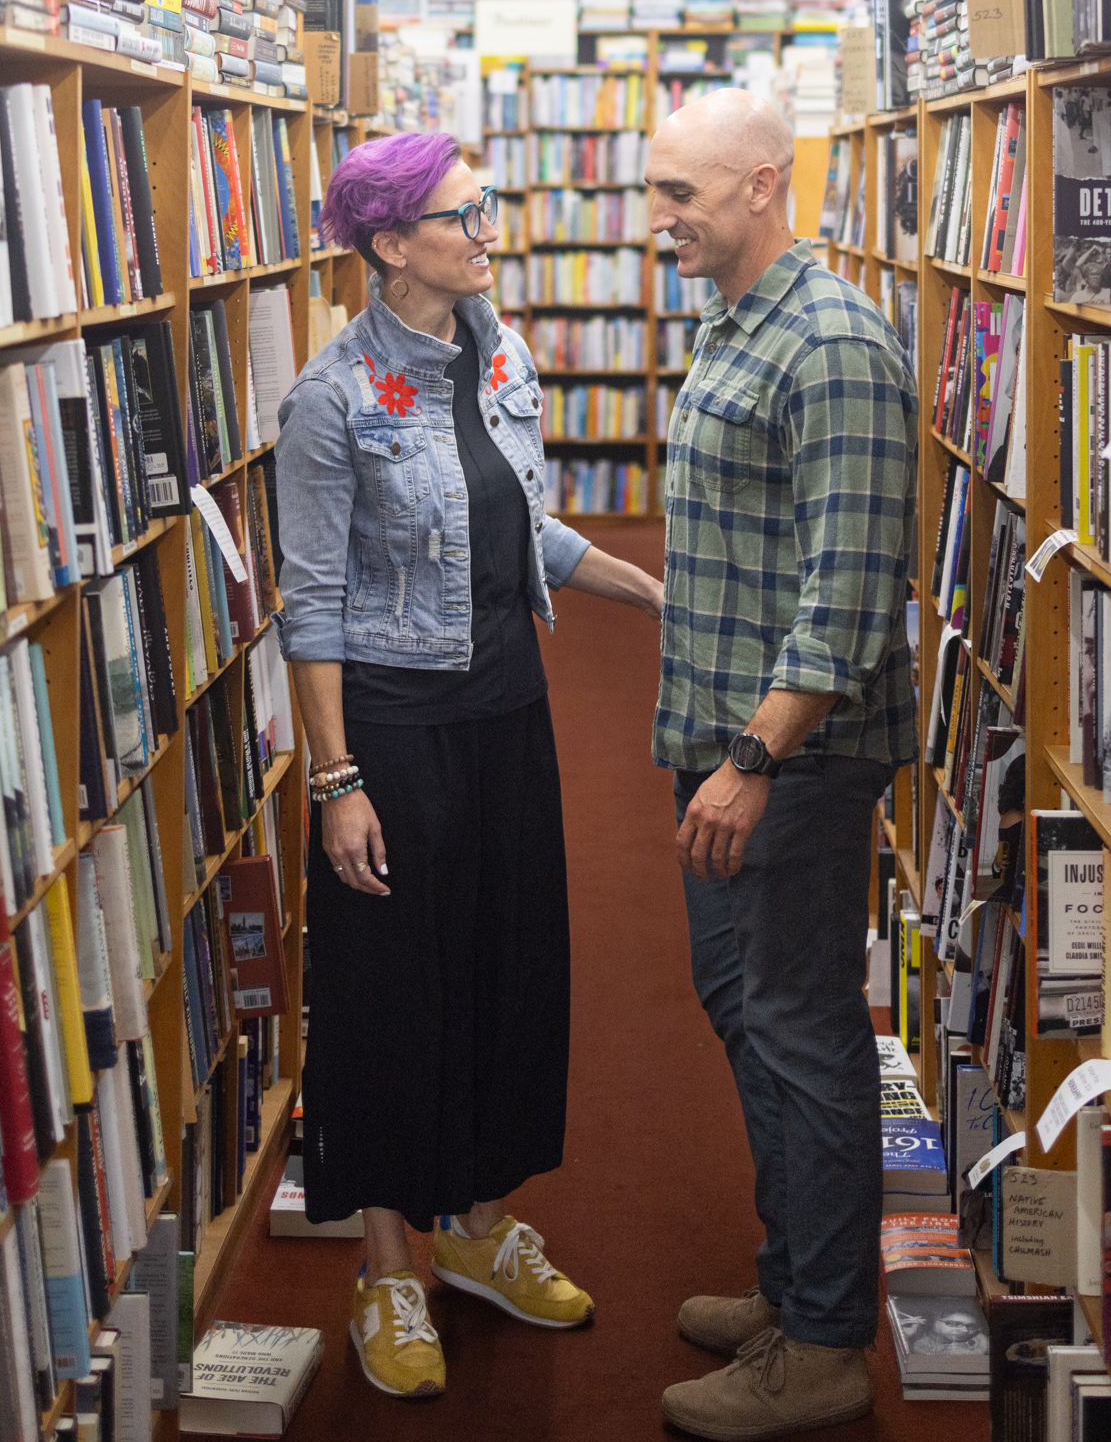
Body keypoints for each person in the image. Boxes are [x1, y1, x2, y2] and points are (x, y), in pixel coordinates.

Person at [273, 131, 663, 1402]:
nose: (487, 226)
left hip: (506, 709)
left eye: (482, 206)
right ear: (392, 245)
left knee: (506, 964)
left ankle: (477, 1227)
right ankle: (387, 1260)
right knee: (394, 988)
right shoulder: (331, 397)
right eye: (463, 212)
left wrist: (649, 590)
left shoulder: (498, 348)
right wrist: (337, 780)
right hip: (391, 725)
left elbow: (522, 524)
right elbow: (314, 602)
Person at [645, 90, 919, 1441]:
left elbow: (847, 595)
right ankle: (793, 1280)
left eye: (679, 195)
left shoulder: (833, 345)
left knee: (801, 1030)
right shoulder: (737, 324)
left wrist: (752, 755)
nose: (657, 220)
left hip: (787, 769)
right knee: (745, 1011)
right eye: (652, 191)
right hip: (719, 748)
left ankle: (820, 1348)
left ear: (761, 185)